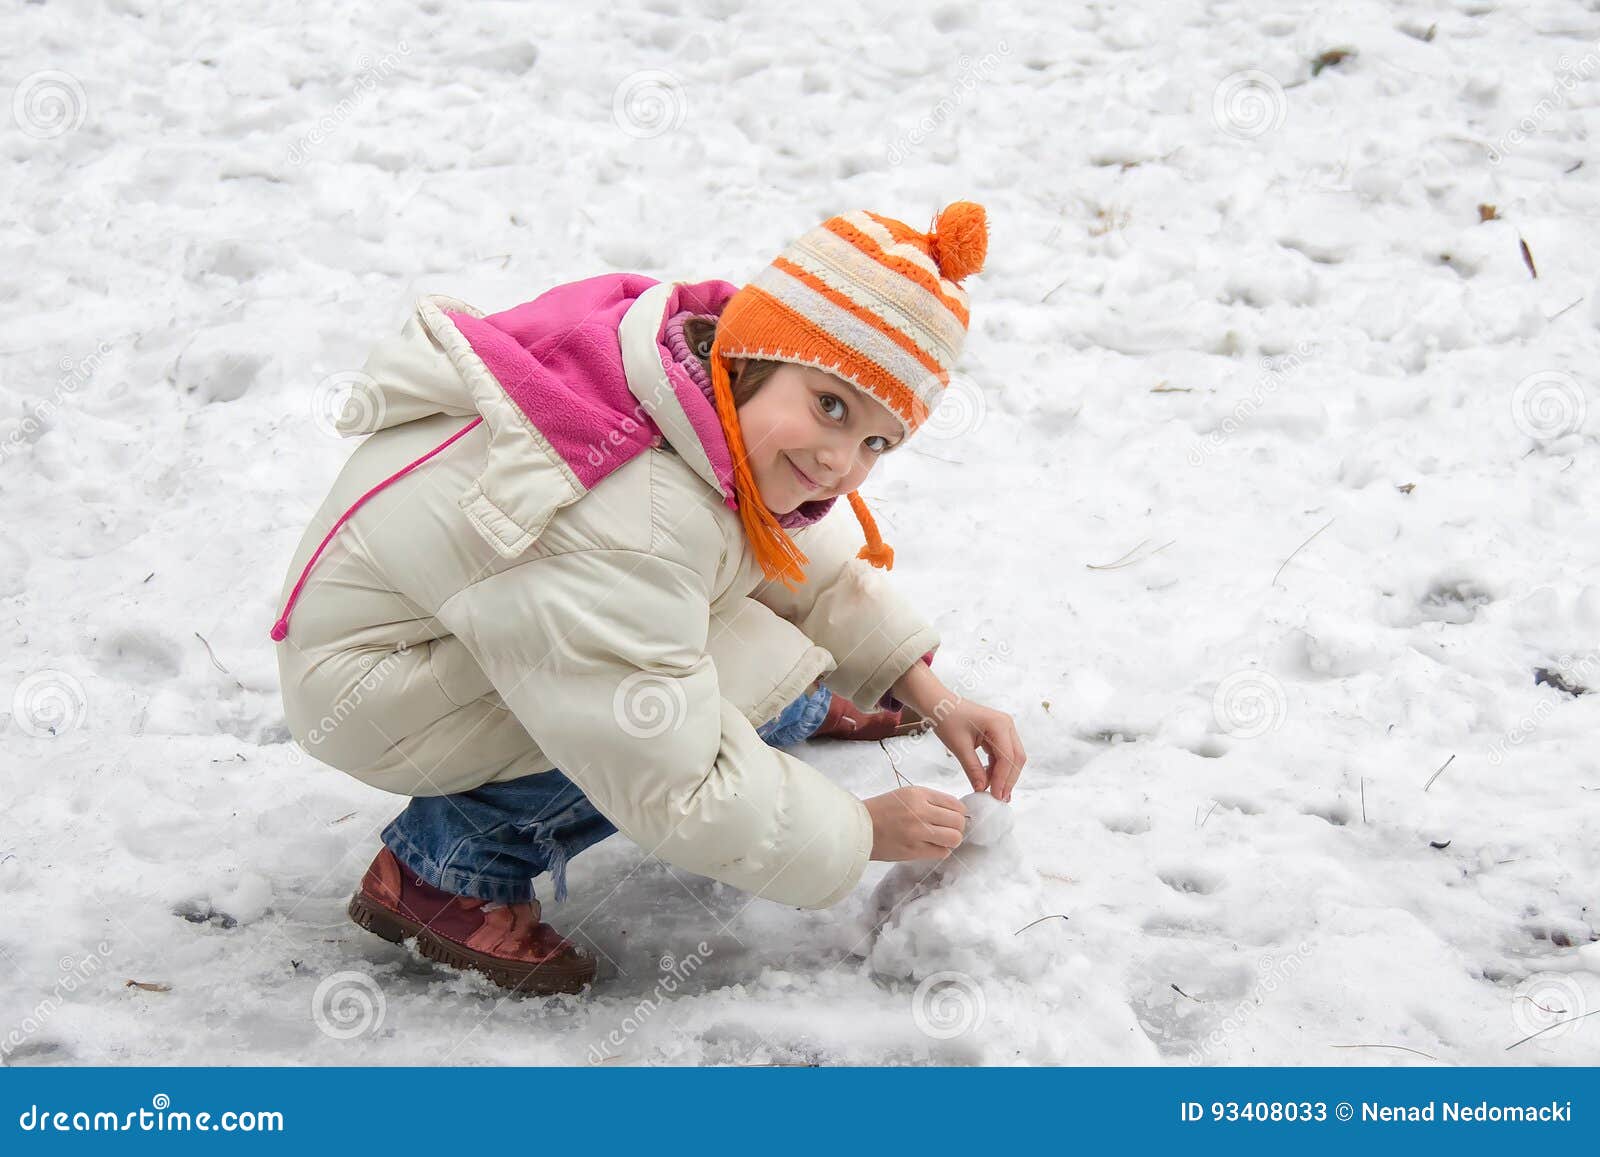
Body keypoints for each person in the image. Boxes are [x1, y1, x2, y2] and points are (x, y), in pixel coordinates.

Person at [269, 201, 1027, 995]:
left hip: (463, 611)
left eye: (876, 440)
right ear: (761, 352)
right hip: (371, 683)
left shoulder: (691, 374)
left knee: (685, 629)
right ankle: (451, 867)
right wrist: (858, 831)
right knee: (657, 695)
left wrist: (927, 688)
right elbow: (664, 766)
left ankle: (792, 701)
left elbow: (784, 541)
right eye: (831, 406)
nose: (842, 461)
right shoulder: (629, 514)